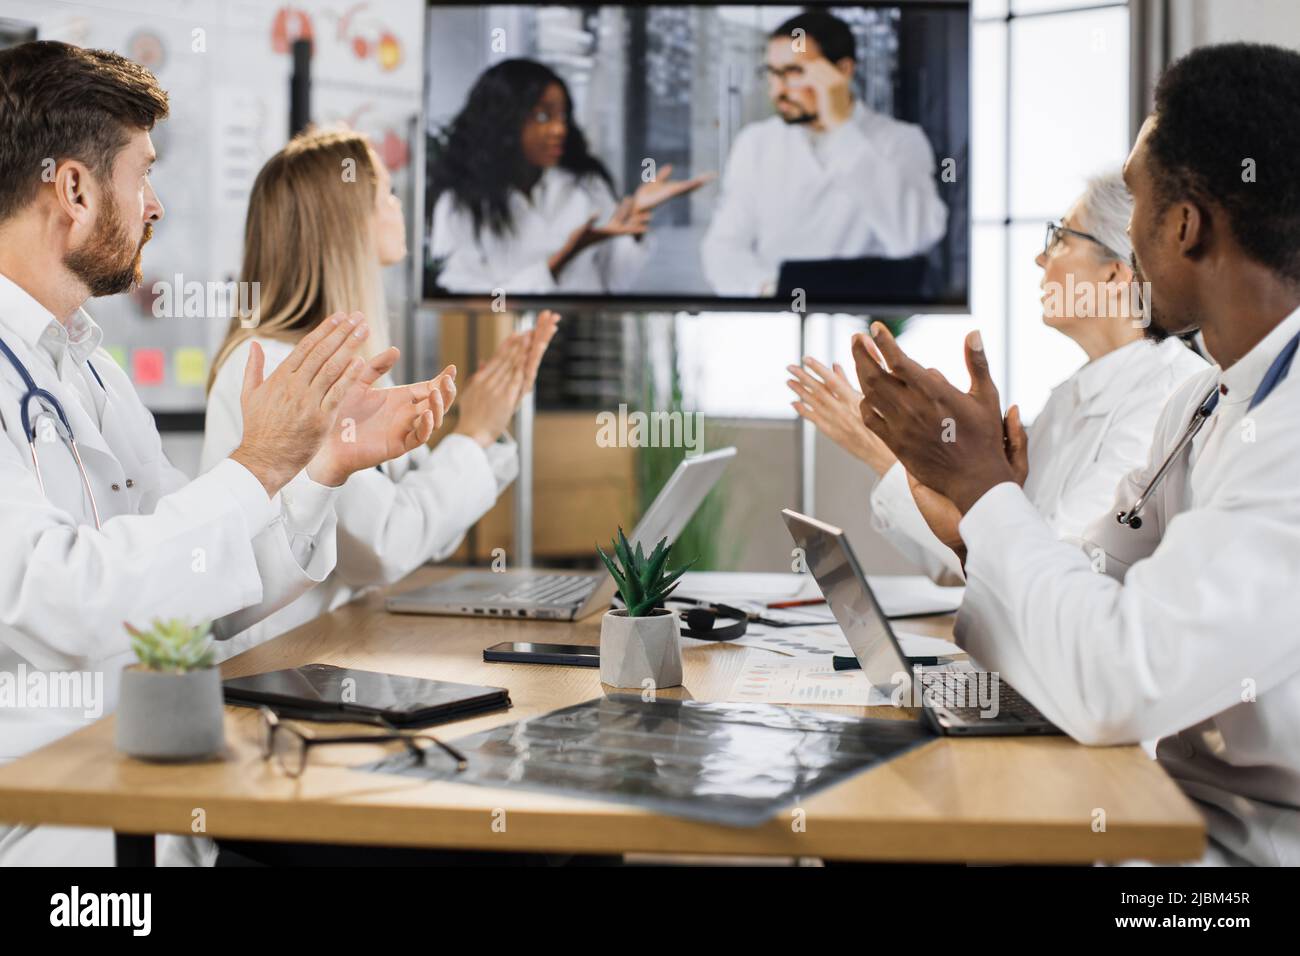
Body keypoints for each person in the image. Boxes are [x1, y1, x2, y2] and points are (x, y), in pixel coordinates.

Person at [0, 42, 453, 865]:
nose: (155, 206)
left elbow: (195, 595)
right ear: (72, 188)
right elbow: (70, 596)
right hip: (50, 817)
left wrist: (317, 471)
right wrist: (260, 464)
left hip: (150, 774)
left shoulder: (90, 368)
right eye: (143, 175)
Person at [851, 43, 1300, 866]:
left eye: (1133, 200)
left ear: (1183, 223)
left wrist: (987, 494)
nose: (1125, 230)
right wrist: (983, 506)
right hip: (1158, 804)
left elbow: (1114, 681)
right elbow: (1079, 586)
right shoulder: (1201, 403)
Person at [205, 128, 560, 662]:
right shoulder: (279, 367)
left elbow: (417, 532)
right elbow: (384, 546)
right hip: (280, 670)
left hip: (336, 650)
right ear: (348, 224)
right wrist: (475, 433)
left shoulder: (348, 361)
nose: (400, 208)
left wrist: (483, 425)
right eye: (387, 194)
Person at [788, 172, 1206, 583]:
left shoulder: (1168, 397)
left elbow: (1053, 571)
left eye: (1060, 238)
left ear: (1116, 275)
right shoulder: (1070, 398)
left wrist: (885, 452)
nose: (1040, 258)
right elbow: (974, 563)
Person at [701, 10, 948, 297]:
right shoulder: (756, 142)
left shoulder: (900, 140)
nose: (778, 90)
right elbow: (723, 247)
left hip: (865, 314)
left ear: (842, 71)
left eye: (794, 72)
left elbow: (914, 237)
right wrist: (770, 290)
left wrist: (841, 128)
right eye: (772, 74)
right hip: (776, 313)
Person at [429, 58, 710, 294]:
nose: (558, 130)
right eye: (542, 117)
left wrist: (635, 221)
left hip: (586, 331)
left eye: (562, 117)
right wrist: (562, 259)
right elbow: (469, 300)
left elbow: (612, 282)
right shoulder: (459, 206)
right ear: (502, 121)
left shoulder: (586, 184)